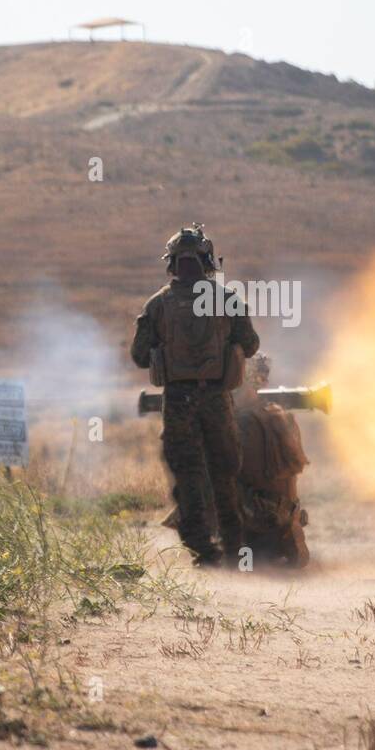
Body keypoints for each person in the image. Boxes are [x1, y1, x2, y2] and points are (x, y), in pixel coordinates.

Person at [130, 224, 259, 566]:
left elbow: (140, 355)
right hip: (217, 401)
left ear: (171, 264)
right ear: (207, 262)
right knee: (225, 473)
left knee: (187, 475)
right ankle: (234, 548)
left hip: (178, 403)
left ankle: (204, 550)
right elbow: (250, 344)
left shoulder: (157, 305)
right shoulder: (228, 300)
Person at [163, 353, 312, 568]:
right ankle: (282, 543)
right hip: (280, 524)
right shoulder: (282, 417)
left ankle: (210, 555)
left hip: (249, 532)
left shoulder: (238, 425)